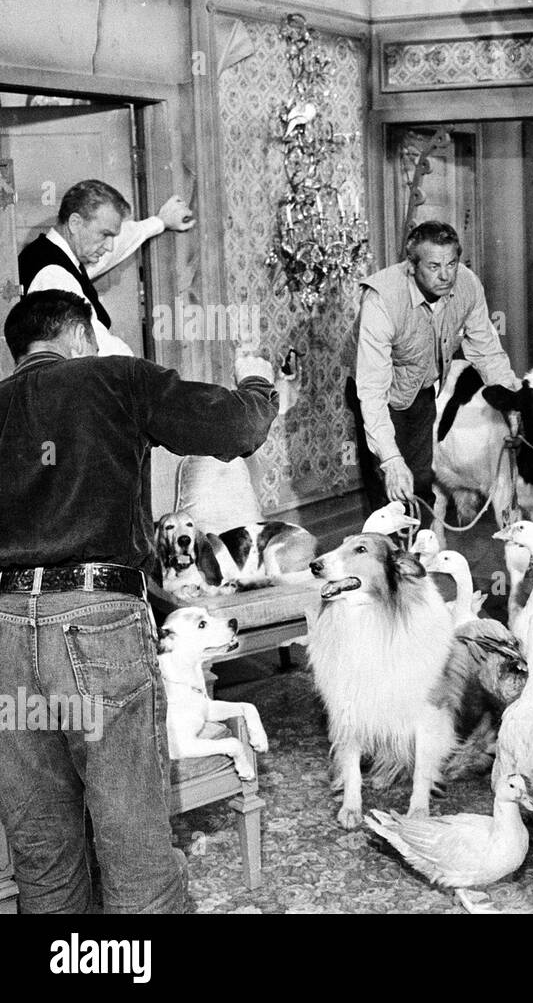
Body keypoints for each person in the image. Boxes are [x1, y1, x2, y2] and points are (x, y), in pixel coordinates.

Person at [0, 290, 279, 913]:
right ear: (77, 339)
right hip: (96, 623)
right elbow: (238, 426)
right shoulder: (112, 377)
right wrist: (257, 381)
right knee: (135, 849)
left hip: (6, 635)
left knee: (43, 854)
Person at [348, 221, 521, 509]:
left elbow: (487, 352)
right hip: (376, 391)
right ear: (412, 265)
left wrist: (511, 402)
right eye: (434, 266)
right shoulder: (381, 300)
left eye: (451, 264)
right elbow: (372, 390)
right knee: (388, 489)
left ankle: (418, 552)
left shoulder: (467, 284)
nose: (445, 276)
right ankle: (384, 550)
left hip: (423, 387)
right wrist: (390, 460)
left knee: (420, 484)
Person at [18, 179, 196, 357]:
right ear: (75, 223)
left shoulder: (54, 254)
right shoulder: (53, 275)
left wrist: (160, 222)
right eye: (105, 234)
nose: (109, 246)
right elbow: (97, 348)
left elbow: (116, 247)